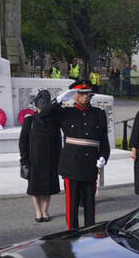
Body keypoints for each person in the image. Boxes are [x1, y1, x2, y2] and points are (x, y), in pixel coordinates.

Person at [41, 80, 111, 229]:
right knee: (72, 205)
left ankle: (90, 232)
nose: (85, 97)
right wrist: (58, 100)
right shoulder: (66, 112)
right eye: (81, 94)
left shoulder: (98, 113)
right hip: (71, 165)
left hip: (90, 164)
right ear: (74, 95)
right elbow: (43, 115)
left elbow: (103, 139)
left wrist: (104, 157)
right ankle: (72, 234)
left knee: (90, 205)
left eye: (88, 94)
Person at [19, 90, 62, 223]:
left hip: (50, 159)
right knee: (35, 188)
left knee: (48, 188)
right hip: (34, 159)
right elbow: (23, 141)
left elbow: (58, 141)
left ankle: (45, 210)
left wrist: (59, 159)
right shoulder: (29, 120)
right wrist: (24, 159)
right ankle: (38, 211)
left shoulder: (53, 120)